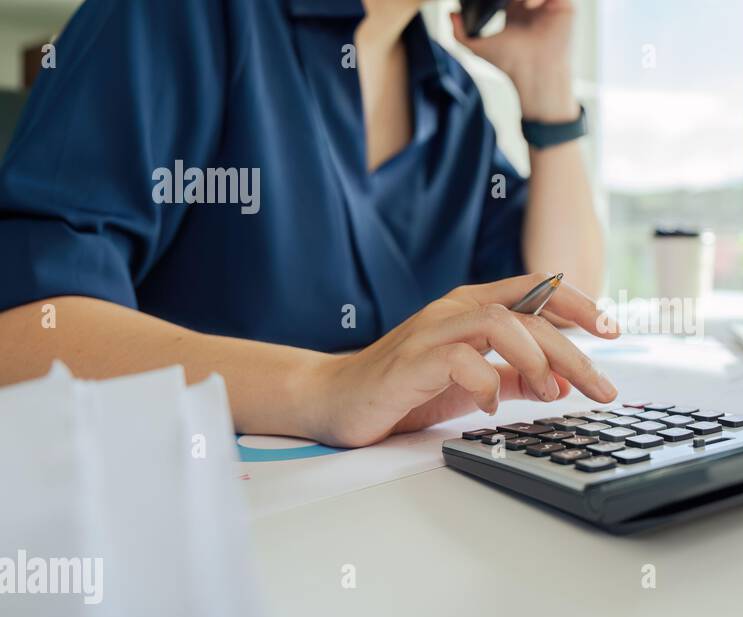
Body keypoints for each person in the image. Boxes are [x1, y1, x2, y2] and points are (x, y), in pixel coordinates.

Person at [0, 0, 619, 447]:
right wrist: (326, 387)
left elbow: (562, 304)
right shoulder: (178, 17)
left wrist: (547, 89)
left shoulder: (451, 100)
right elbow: (24, 332)